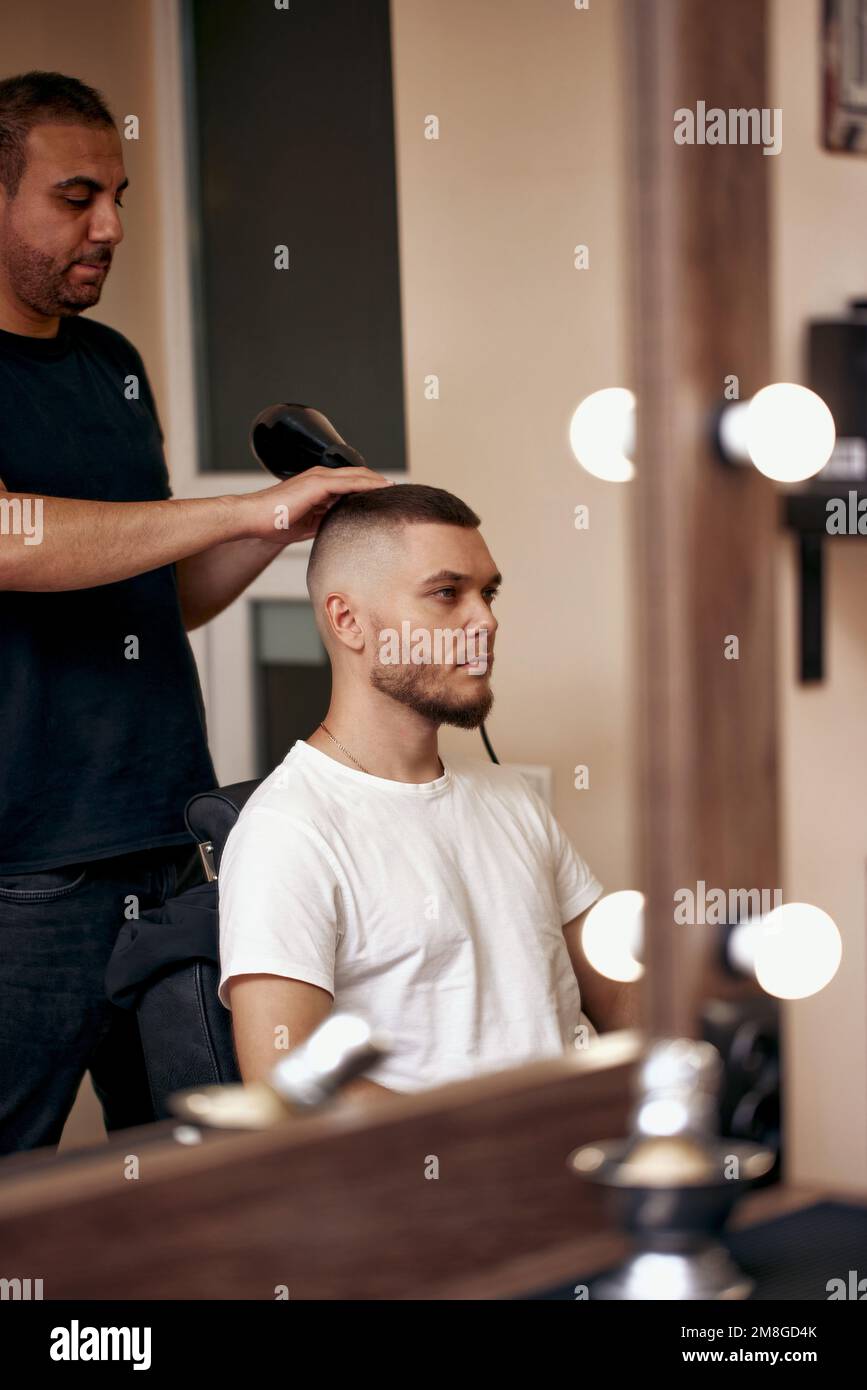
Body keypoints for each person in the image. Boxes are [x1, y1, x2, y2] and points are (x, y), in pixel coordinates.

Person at [0, 70, 392, 1154]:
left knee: (203, 1168)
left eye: (118, 193)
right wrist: (238, 505)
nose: (111, 224)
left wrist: (272, 529)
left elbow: (158, 594)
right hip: (26, 869)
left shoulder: (112, 365)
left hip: (169, 844)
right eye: (75, 197)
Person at [218, 484, 640, 1103]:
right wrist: (495, 1151)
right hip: (444, 1183)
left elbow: (620, 998)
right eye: (448, 593)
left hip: (578, 1160)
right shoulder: (288, 831)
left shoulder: (508, 798)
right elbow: (289, 1085)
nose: (486, 621)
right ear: (348, 621)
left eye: (487, 593)